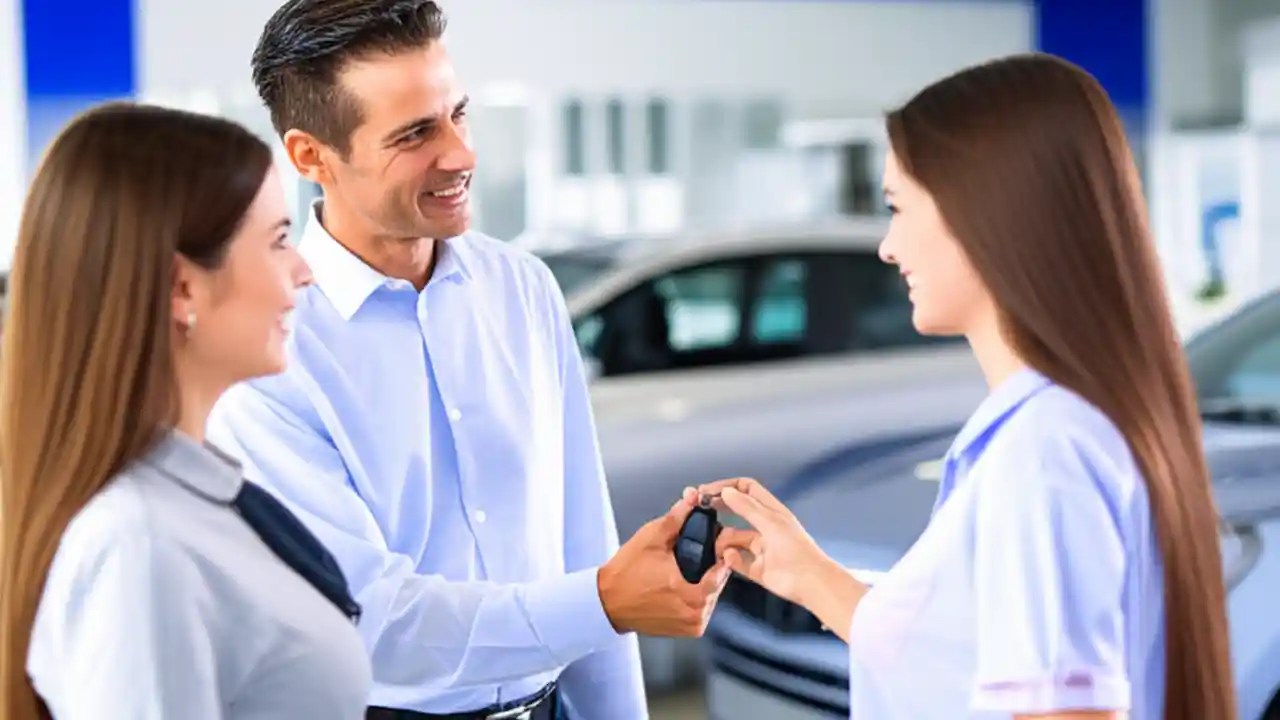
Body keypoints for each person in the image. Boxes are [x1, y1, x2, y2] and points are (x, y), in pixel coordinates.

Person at [205, 1, 728, 718]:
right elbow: (365, 618)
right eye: (415, 133)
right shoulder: (272, 345)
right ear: (310, 157)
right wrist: (603, 602)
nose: (460, 155)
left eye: (458, 114)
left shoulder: (522, 288)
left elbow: (582, 539)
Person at [695, 53, 1236, 720]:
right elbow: (962, 665)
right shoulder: (1074, 426)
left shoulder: (1044, 450)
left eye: (898, 208)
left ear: (987, 213)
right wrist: (811, 579)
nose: (887, 247)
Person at [0, 103, 372, 719]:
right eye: (278, 240)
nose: (303, 271)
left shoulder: (192, 500)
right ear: (182, 288)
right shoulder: (141, 546)